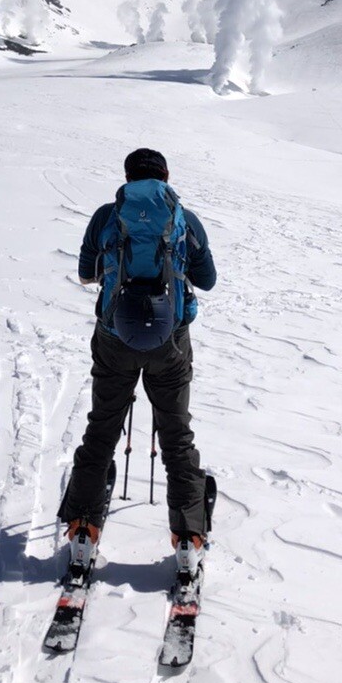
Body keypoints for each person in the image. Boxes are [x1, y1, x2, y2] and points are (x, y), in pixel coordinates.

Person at [59, 148, 216, 572]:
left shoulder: (107, 216)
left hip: (114, 339)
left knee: (102, 431)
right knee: (176, 436)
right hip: (171, 343)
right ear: (165, 177)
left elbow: (86, 273)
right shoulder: (183, 218)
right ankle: (188, 536)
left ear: (127, 177)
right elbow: (208, 280)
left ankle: (81, 528)